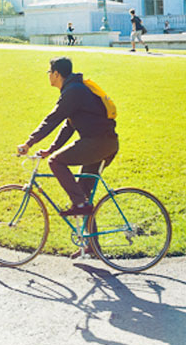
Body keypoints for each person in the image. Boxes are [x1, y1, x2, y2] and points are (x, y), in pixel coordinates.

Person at [16, 57, 119, 230]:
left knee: (55, 162)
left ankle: (79, 205)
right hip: (104, 143)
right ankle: (92, 247)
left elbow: (53, 119)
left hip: (98, 143)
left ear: (56, 74)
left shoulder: (73, 91)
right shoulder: (75, 89)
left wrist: (29, 143)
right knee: (83, 195)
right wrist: (52, 148)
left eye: (49, 72)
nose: (48, 76)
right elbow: (68, 125)